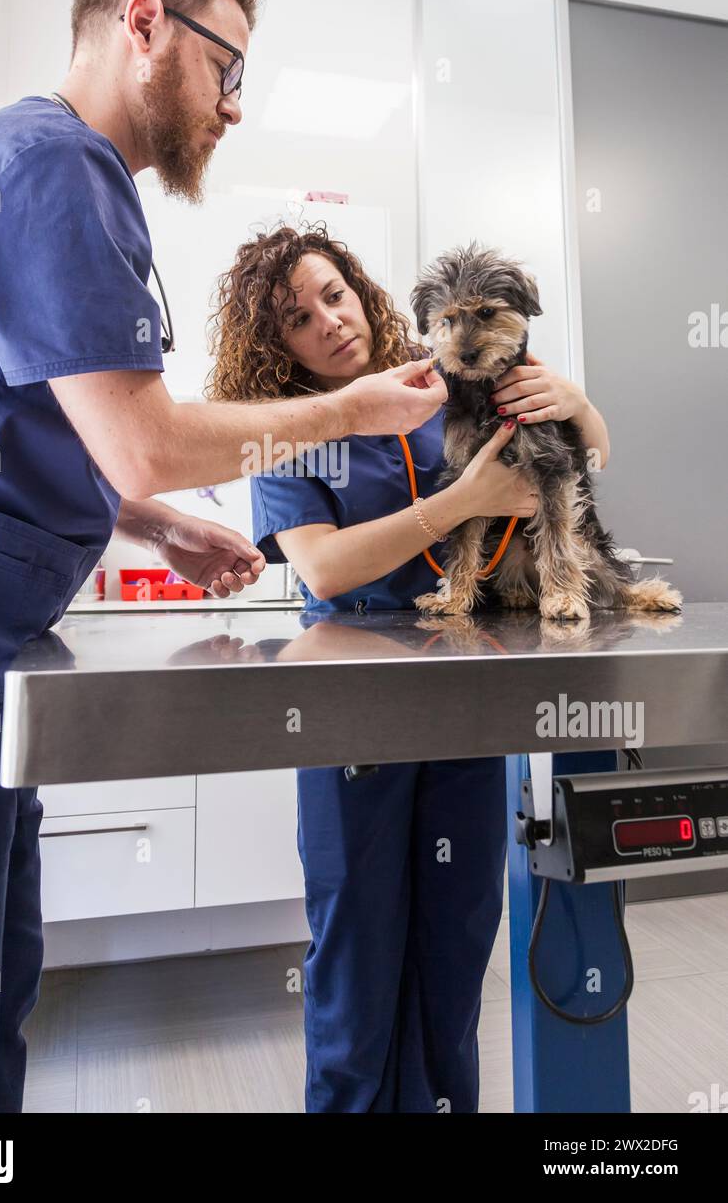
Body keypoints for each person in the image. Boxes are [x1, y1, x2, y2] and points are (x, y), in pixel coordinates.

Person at [0, 0, 447, 1113]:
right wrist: (342, 410)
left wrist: (145, 523)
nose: (234, 104)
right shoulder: (50, 164)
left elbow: (22, 424)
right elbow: (137, 432)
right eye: (227, 67)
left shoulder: (67, 180)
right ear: (144, 23)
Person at [207, 223, 612, 1112]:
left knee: (458, 936)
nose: (329, 322)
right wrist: (460, 503)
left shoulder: (439, 383)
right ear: (273, 344)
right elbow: (324, 568)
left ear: (361, 288)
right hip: (351, 702)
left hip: (460, 690)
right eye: (297, 318)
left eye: (334, 294)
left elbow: (585, 460)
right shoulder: (287, 435)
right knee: (358, 945)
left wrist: (579, 406)